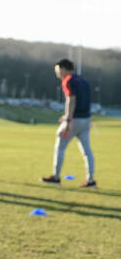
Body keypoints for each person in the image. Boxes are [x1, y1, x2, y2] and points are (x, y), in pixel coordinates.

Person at [42, 59, 97, 187]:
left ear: (64, 69)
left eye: (57, 70)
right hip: (86, 119)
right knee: (87, 150)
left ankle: (55, 177)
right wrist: (67, 115)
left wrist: (68, 119)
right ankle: (91, 180)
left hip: (75, 120)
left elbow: (71, 100)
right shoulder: (83, 80)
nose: (57, 73)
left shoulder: (68, 80)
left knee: (60, 144)